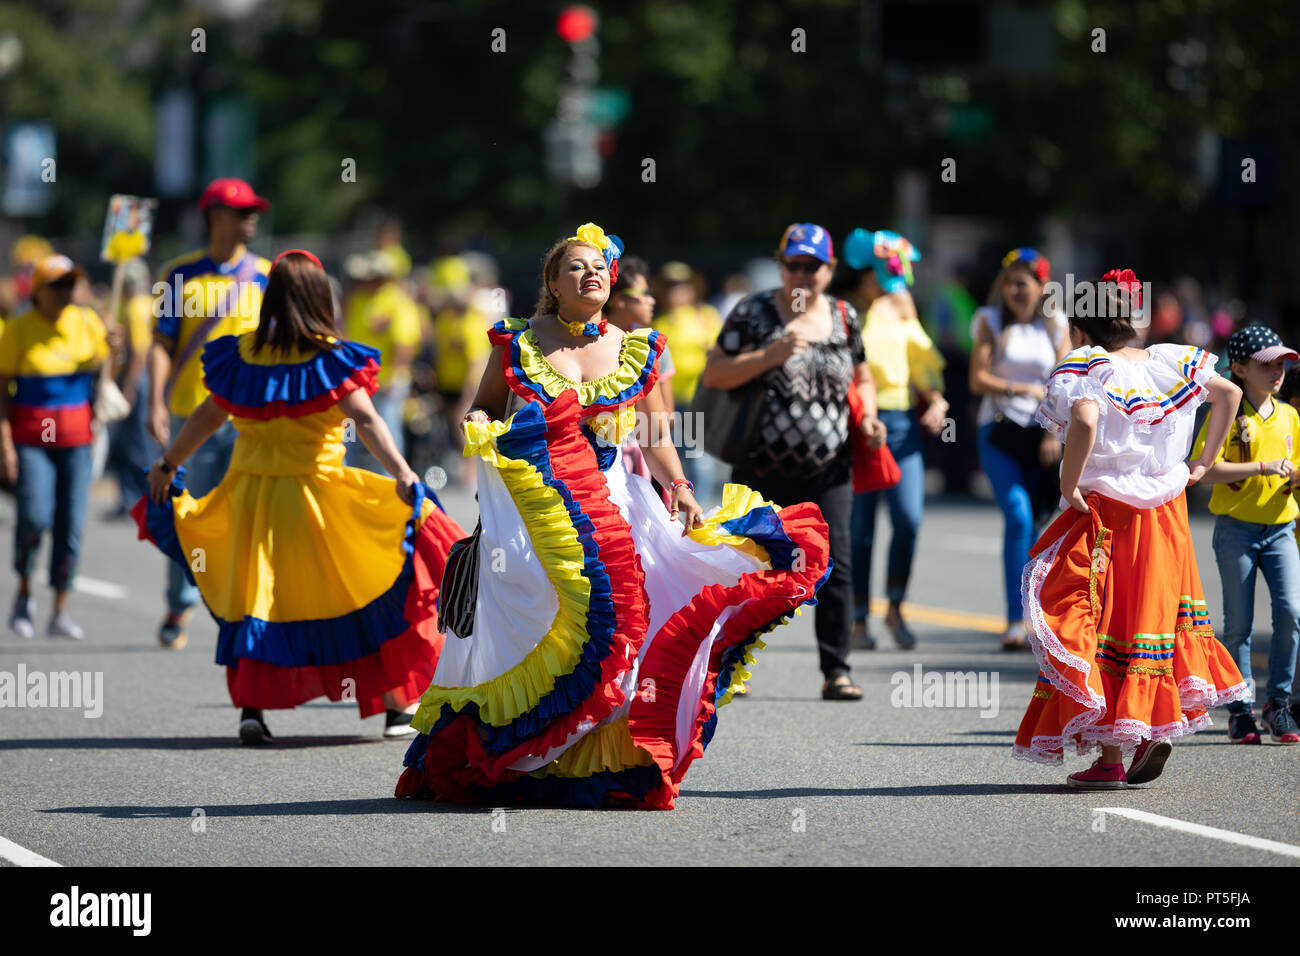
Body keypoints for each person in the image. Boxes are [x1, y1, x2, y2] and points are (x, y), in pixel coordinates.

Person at [396, 224, 831, 808]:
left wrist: (679, 485)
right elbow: (481, 408)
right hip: (535, 514)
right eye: (574, 266)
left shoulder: (634, 347)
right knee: (544, 621)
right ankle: (521, 760)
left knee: (624, 615)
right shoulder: (517, 342)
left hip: (613, 502)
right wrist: (478, 425)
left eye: (598, 265)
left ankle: (591, 756)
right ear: (552, 282)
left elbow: (654, 432)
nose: (590, 272)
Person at [134, 251, 466, 744]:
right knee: (359, 591)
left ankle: (253, 710)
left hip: (253, 499)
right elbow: (368, 420)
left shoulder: (243, 356)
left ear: (271, 300)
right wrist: (402, 472)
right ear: (319, 299)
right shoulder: (332, 358)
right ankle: (396, 707)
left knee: (260, 599)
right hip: (318, 497)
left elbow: (206, 418)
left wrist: (168, 464)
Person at [1013, 269, 1248, 788]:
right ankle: (1145, 731)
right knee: (1151, 621)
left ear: (1080, 326)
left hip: (1110, 513)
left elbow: (1087, 419)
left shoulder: (1086, 364)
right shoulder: (1169, 359)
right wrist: (1202, 465)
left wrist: (1068, 484)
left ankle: (1112, 759)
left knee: (1098, 622)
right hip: (1168, 513)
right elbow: (1229, 394)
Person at [701, 222, 884, 700]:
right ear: (781, 265)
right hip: (761, 466)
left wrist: (870, 420)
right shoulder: (754, 313)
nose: (803, 274)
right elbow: (715, 374)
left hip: (828, 467)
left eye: (813, 266)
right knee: (746, 563)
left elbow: (862, 378)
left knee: (837, 565)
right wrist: (770, 354)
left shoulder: (845, 316)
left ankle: (837, 670)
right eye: (794, 265)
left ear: (830, 269)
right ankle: (729, 665)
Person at [148, 177, 272, 650]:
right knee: (191, 513)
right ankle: (180, 602)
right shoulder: (178, 275)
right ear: (215, 216)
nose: (252, 219)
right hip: (190, 416)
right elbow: (162, 344)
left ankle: (246, 606)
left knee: (252, 513)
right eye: (242, 212)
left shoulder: (266, 275)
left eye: (254, 211)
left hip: (250, 420)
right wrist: (155, 400)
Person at [1189, 324, 1300, 744]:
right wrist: (1260, 467)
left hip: (1281, 528)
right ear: (1238, 368)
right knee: (1239, 626)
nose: (1278, 371)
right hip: (1236, 530)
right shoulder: (1228, 415)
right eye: (1266, 364)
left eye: (1282, 363)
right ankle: (1240, 709)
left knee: (1291, 614)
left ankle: (1278, 704)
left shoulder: (1289, 415)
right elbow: (1204, 470)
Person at [840, 228, 949, 650]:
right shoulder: (843, 309)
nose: (887, 287)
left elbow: (921, 357)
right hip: (857, 424)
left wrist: (936, 398)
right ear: (864, 273)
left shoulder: (900, 302)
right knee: (860, 527)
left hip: (901, 423)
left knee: (909, 519)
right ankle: (858, 617)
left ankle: (896, 606)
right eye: (880, 279)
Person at [0, 255, 114, 639]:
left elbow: (107, 371)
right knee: (33, 518)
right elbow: (2, 393)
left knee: (71, 527)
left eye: (71, 285)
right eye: (58, 286)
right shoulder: (17, 330)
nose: (66, 293)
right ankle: (24, 592)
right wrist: (5, 446)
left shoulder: (87, 323)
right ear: (39, 290)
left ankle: (60, 610)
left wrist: (115, 347)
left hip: (76, 441)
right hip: (33, 441)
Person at [968, 248, 1068, 650]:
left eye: (1022, 283)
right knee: (1017, 514)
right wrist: (1020, 388)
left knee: (1037, 526)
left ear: (1042, 287)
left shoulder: (1056, 325)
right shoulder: (990, 321)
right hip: (999, 432)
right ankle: (1014, 621)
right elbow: (977, 380)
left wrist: (1051, 434)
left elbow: (1064, 381)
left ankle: (1038, 617)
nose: (1014, 290)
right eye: (1008, 282)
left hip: (1041, 435)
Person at [343, 250, 421, 472]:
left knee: (388, 430)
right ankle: (352, 476)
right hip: (357, 377)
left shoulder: (397, 301)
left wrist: (395, 377)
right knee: (351, 431)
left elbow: (404, 343)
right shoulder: (357, 299)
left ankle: (393, 480)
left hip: (386, 379)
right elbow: (347, 335)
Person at [607, 255, 674, 503]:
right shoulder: (587, 345)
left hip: (643, 461)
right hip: (599, 463)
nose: (651, 301)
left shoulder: (652, 346)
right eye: (643, 293)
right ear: (618, 299)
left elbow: (665, 416)